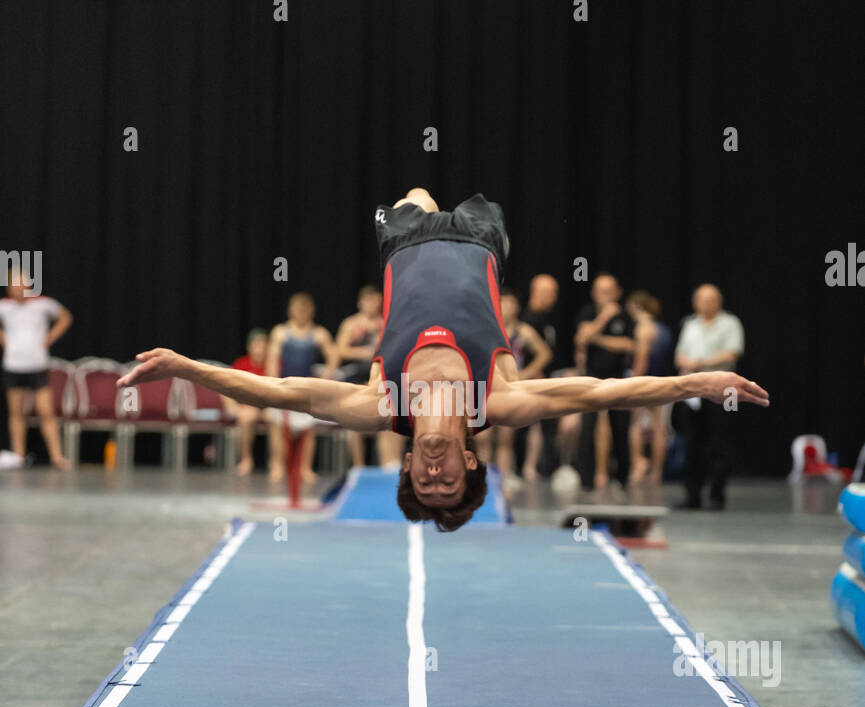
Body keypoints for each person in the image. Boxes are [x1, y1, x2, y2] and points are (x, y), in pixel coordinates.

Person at [117, 190, 769, 532]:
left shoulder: (380, 405)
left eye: (424, 485)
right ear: (468, 463)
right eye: (447, 484)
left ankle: (413, 201)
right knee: (481, 204)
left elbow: (280, 391)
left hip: (404, 245)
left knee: (411, 193)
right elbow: (603, 392)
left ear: (405, 465)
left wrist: (186, 366)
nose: (433, 477)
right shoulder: (499, 402)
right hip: (481, 243)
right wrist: (698, 380)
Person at [674, 283, 746, 509]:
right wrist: (686, 364)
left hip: (722, 391)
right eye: (702, 299)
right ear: (696, 302)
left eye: (711, 299)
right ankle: (692, 495)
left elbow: (733, 352)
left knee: (719, 442)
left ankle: (716, 495)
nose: (706, 304)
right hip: (694, 391)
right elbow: (680, 355)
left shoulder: (730, 323)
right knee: (692, 443)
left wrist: (702, 363)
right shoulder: (690, 324)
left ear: (719, 302)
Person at [0, 272, 73, 469]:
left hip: (36, 365)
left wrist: (50, 337)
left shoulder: (43, 304)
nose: (18, 289)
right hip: (13, 366)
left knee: (46, 411)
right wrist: (4, 339)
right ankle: (18, 455)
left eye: (21, 284)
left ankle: (56, 456)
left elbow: (65, 316)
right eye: (14, 285)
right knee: (16, 413)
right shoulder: (4, 306)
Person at [480, 288, 551, 487]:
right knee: (483, 436)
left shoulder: (523, 331)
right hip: (487, 386)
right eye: (503, 303)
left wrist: (527, 373)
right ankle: (484, 473)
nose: (507, 308)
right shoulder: (486, 329)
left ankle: (503, 474)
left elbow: (545, 353)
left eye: (511, 304)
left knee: (505, 436)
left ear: (517, 308)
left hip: (510, 385)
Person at [265, 293, 336, 485]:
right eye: (298, 309)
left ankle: (305, 467)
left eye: (305, 310)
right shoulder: (280, 332)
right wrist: (273, 384)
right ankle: (278, 465)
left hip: (307, 387)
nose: (301, 314)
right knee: (278, 426)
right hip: (285, 384)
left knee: (308, 429)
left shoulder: (319, 333)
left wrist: (325, 379)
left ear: (311, 312)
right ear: (291, 310)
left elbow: (333, 356)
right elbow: (272, 359)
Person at [575, 274, 635, 489]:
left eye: (609, 291)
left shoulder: (625, 315)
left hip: (618, 379)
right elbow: (581, 339)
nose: (605, 296)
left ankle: (621, 478)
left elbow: (629, 345)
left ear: (617, 292)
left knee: (620, 426)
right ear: (593, 292)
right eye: (601, 291)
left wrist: (597, 338)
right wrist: (603, 319)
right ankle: (587, 480)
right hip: (591, 378)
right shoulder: (588, 312)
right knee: (587, 427)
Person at [332, 285, 401, 469]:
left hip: (380, 378)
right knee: (356, 418)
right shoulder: (351, 324)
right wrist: (365, 351)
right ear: (361, 303)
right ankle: (359, 464)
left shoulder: (387, 323)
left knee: (391, 413)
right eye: (368, 301)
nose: (372, 305)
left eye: (375, 301)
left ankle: (389, 462)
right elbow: (339, 350)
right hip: (355, 377)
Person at [626, 291, 674, 484]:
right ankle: (657, 472)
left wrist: (633, 382)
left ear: (635, 307)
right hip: (662, 382)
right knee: (660, 428)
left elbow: (642, 360)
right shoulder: (662, 328)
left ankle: (638, 464)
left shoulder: (643, 327)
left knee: (636, 426)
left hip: (646, 382)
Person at [518, 274, 559, 481]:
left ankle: (539, 467)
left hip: (542, 382)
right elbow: (526, 353)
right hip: (528, 385)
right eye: (551, 293)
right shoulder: (527, 322)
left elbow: (546, 353)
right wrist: (530, 373)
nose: (554, 298)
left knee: (542, 426)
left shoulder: (545, 321)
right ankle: (528, 467)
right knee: (530, 425)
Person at [220, 329, 275, 476]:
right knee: (246, 417)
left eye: (263, 346)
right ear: (249, 347)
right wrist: (232, 406)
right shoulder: (241, 363)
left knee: (277, 419)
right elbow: (223, 385)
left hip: (270, 406)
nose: (259, 350)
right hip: (249, 406)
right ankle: (246, 460)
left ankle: (277, 463)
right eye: (256, 346)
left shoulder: (274, 364)